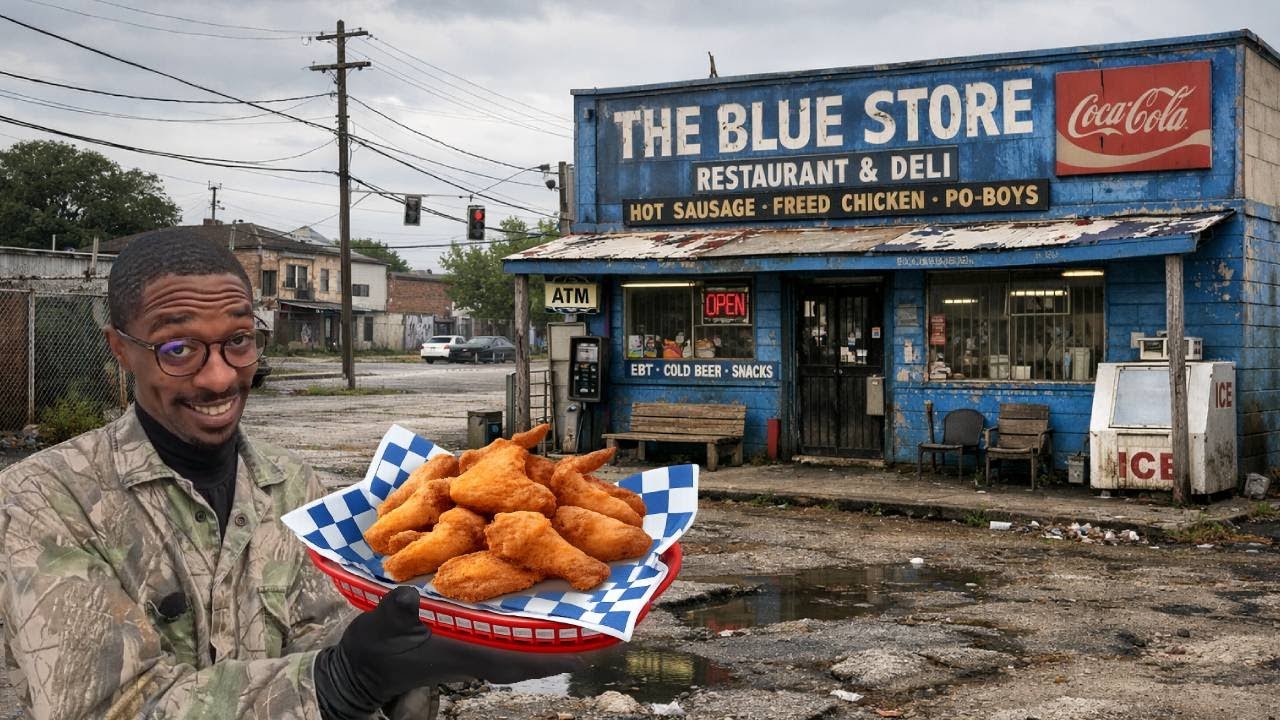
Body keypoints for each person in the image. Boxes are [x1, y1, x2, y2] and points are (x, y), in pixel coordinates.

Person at [0, 232, 574, 720]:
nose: (219, 378)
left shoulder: (303, 495)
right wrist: (335, 684)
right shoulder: (43, 501)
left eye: (239, 341)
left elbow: (348, 644)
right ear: (121, 350)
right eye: (179, 348)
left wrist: (438, 656)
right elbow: (108, 706)